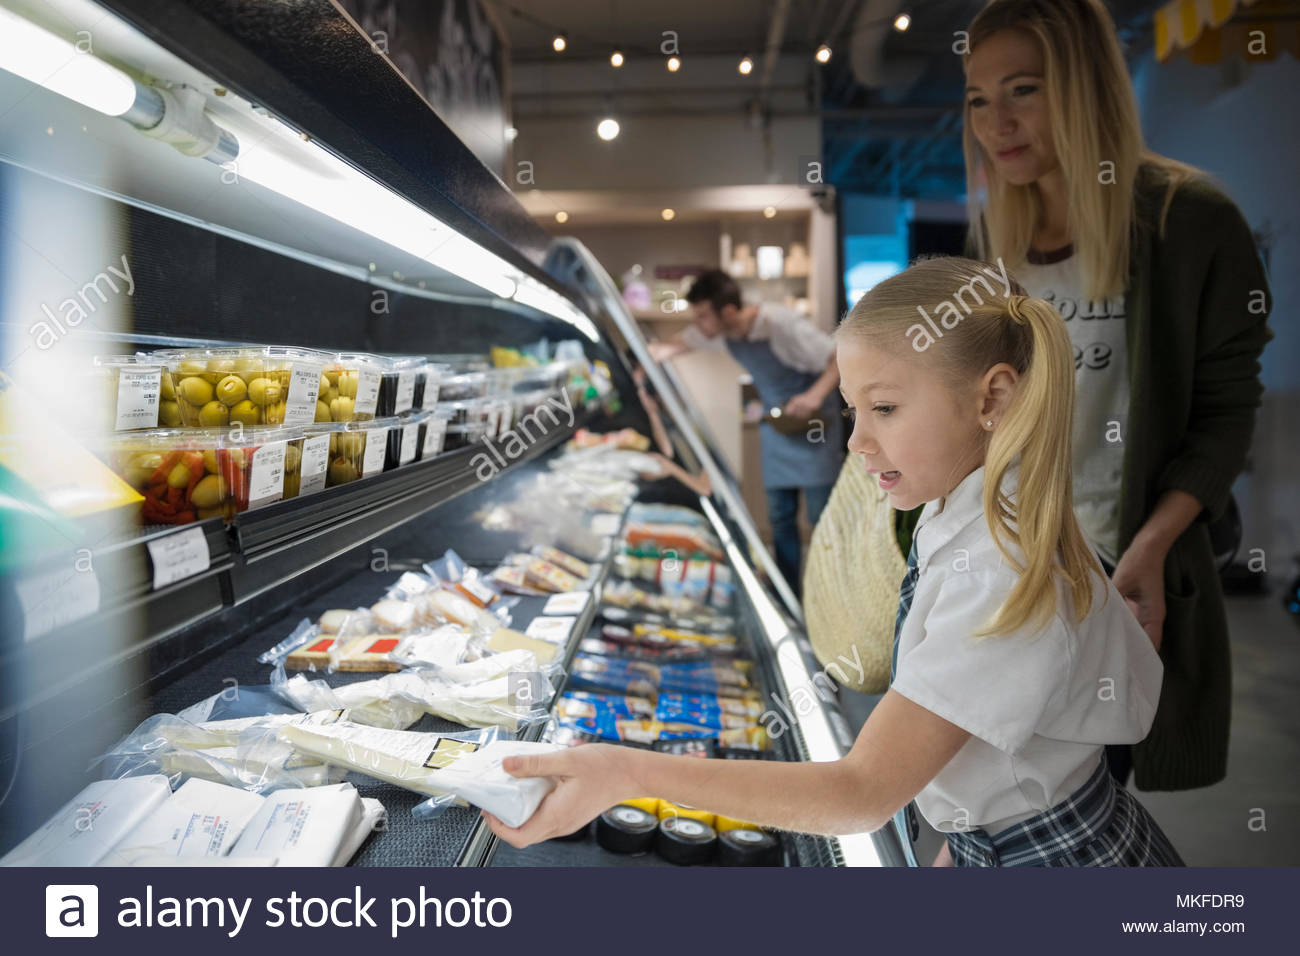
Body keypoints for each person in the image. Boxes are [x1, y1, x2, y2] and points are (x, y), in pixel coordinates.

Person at [483, 258, 1182, 867]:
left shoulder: (1000, 571)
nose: (856, 442)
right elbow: (1002, 763)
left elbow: (860, 794)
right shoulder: (967, 509)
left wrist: (623, 773)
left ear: (992, 398)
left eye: (884, 408)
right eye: (852, 410)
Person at [961, 0, 1272, 790]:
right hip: (1010, 577)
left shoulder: (1189, 221)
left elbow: (1226, 411)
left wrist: (1151, 548)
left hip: (1116, 574)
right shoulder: (999, 241)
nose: (996, 121)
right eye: (977, 98)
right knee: (985, 809)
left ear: (1083, 85)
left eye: (1023, 89)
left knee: (1074, 806)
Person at [649, 270, 843, 594]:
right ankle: (789, 593)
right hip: (777, 428)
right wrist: (644, 362)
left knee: (821, 517)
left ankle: (831, 594)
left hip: (814, 426)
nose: (697, 325)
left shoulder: (781, 324)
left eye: (701, 316)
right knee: (780, 518)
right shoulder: (718, 332)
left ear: (727, 311)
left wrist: (814, 397)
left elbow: (837, 357)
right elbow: (675, 346)